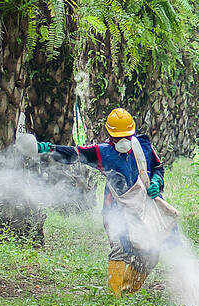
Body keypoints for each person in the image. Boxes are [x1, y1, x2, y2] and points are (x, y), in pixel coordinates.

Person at [35, 108, 177, 295]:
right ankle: (115, 297)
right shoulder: (102, 152)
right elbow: (75, 154)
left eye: (126, 136)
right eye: (118, 138)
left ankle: (128, 291)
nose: (123, 141)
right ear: (110, 135)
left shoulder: (143, 147)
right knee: (120, 248)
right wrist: (48, 148)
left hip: (145, 208)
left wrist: (157, 182)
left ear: (132, 133)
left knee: (151, 253)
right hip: (116, 210)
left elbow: (158, 167)